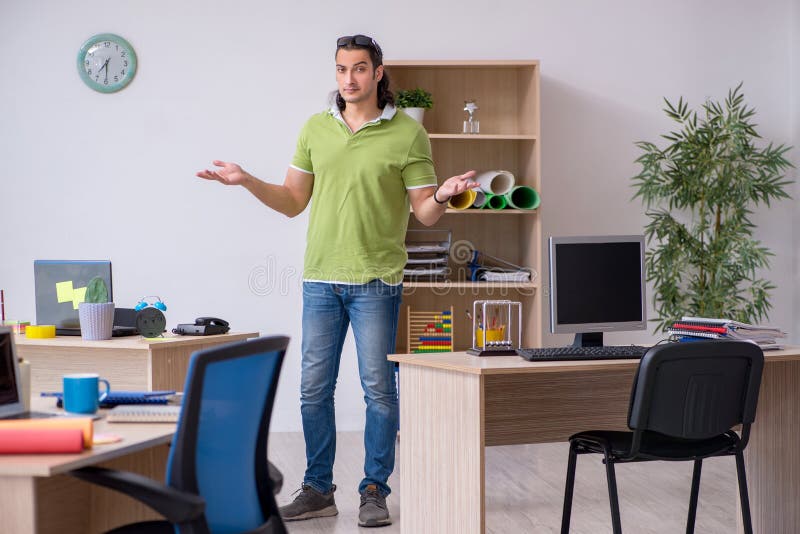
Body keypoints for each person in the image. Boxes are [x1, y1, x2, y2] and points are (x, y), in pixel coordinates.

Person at [197, 34, 477, 528]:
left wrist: (449, 193)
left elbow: (425, 214)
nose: (350, 79)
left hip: (377, 280)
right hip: (321, 279)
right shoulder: (314, 129)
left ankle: (374, 490)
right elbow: (291, 201)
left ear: (378, 72)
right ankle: (318, 490)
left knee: (378, 391)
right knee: (312, 389)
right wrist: (246, 181)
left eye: (360, 69)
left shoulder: (408, 135)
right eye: (342, 69)